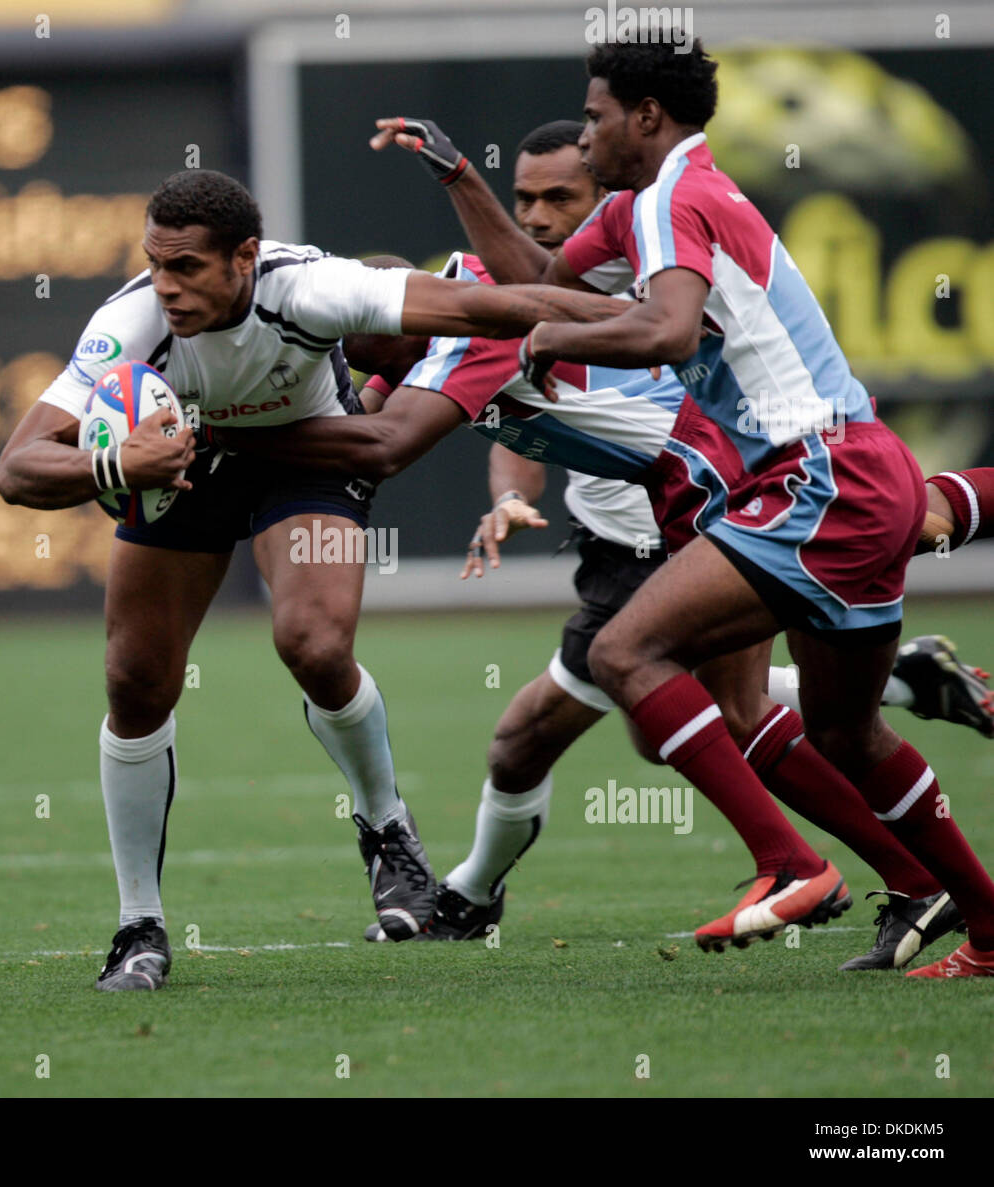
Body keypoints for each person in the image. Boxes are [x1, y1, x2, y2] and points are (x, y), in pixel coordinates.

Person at [377, 36, 994, 979]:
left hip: (814, 477)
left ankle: (790, 863)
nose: (585, 138)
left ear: (646, 118)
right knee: (843, 732)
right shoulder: (647, 206)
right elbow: (533, 285)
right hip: (852, 469)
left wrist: (543, 338)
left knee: (629, 652)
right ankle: (982, 926)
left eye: (593, 117)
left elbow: (666, 330)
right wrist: (463, 179)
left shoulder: (670, 197)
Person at [0, 168, 652, 990]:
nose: (166, 286)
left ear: (244, 256)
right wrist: (118, 459)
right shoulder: (128, 324)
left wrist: (635, 318)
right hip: (180, 464)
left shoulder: (308, 290)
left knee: (312, 641)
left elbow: (478, 308)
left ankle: (386, 826)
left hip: (304, 455)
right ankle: (140, 926)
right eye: (155, 264)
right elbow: (18, 469)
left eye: (187, 267)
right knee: (134, 683)